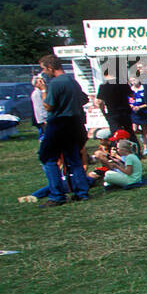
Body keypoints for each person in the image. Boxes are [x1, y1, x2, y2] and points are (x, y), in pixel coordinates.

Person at [36, 54, 92, 205]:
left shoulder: (55, 83)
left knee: (48, 158)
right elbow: (84, 99)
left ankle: (57, 195)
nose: (43, 72)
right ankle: (82, 192)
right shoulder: (72, 81)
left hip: (59, 123)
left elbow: (48, 105)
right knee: (74, 158)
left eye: (44, 69)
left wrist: (42, 90)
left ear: (50, 68)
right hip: (75, 123)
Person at [95, 65, 135, 142]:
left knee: (116, 133)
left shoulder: (103, 86)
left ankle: (118, 150)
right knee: (129, 131)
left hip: (113, 112)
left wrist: (103, 111)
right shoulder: (123, 83)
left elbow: (99, 102)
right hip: (125, 111)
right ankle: (135, 149)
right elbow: (132, 95)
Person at [128, 77, 147, 155]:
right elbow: (128, 101)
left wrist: (140, 107)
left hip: (143, 112)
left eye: (134, 80)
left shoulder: (144, 89)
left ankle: (146, 148)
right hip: (134, 113)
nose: (133, 82)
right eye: (131, 81)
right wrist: (131, 106)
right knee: (134, 129)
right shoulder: (130, 90)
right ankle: (141, 134)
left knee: (145, 130)